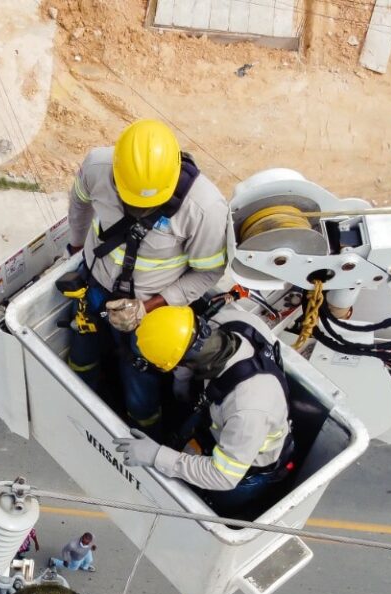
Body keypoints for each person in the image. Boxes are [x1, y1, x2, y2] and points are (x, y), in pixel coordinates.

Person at [65, 118, 230, 435]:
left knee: (140, 378)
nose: (138, 209)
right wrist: (76, 244)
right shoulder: (97, 166)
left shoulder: (204, 208)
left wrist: (149, 306)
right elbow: (79, 204)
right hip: (95, 285)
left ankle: (145, 432)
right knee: (82, 350)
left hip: (151, 311)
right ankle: (76, 402)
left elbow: (208, 272)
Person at [114, 302, 293, 516]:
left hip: (246, 473)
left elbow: (223, 476)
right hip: (220, 423)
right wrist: (182, 381)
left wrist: (157, 456)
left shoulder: (247, 409)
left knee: (217, 506)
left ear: (185, 361)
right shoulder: (232, 322)